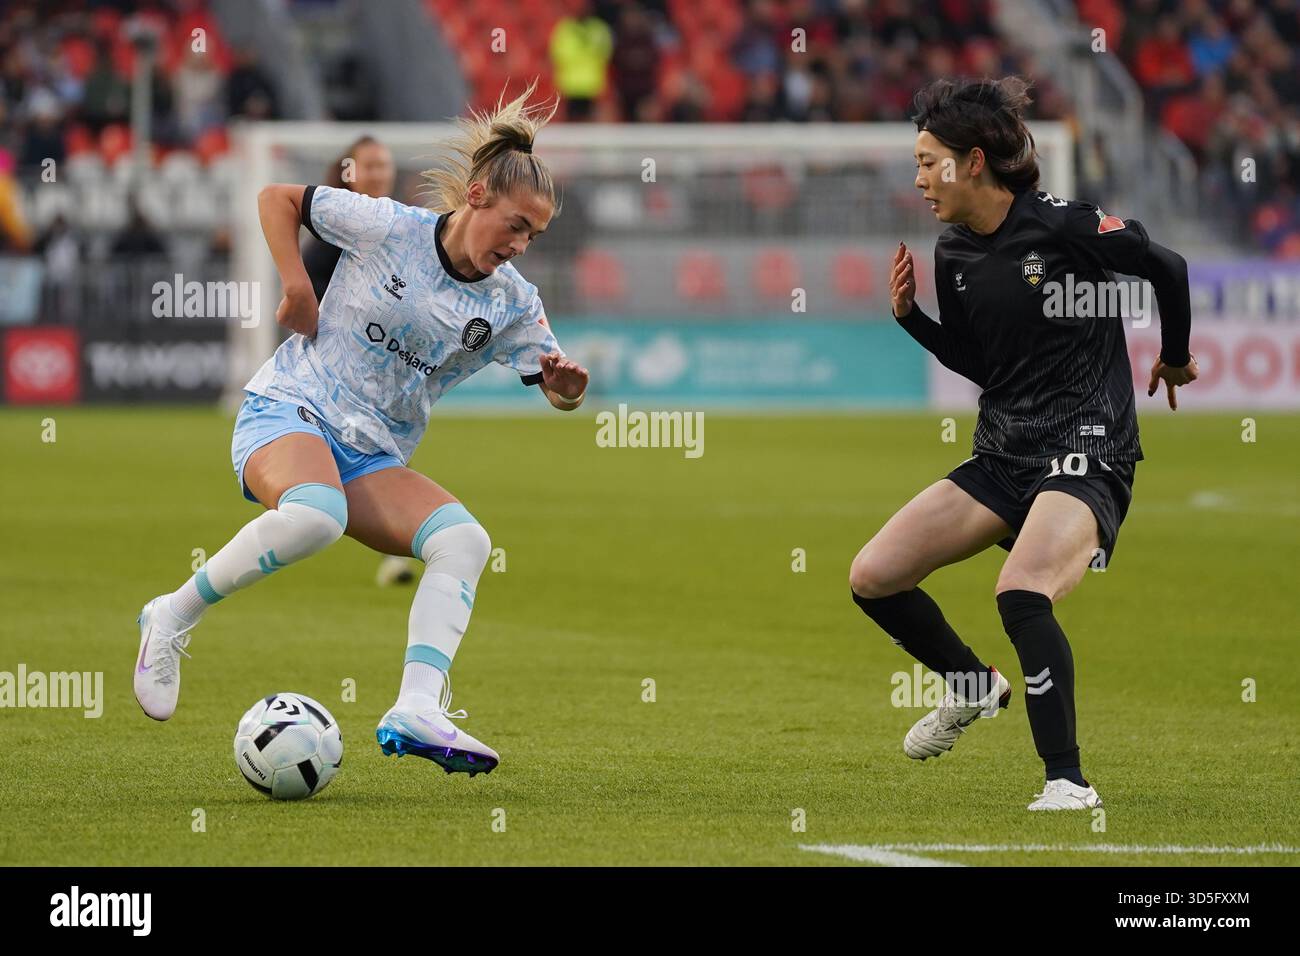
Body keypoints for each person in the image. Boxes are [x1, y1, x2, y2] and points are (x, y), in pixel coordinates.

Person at [133, 82, 590, 779]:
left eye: (535, 234)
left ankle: (416, 707)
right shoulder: (389, 227)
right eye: (516, 224)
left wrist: (562, 392)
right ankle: (170, 615)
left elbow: (554, 386)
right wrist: (296, 286)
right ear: (475, 197)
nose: (522, 244)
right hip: (291, 408)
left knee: (464, 540)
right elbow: (277, 198)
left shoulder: (512, 304)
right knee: (315, 517)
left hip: (371, 454)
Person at [849, 76, 1198, 811]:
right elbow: (985, 366)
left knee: (1021, 592)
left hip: (1088, 449)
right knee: (874, 574)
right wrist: (911, 318)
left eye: (927, 161)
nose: (917, 179)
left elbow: (1167, 265)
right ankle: (973, 685)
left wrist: (1175, 353)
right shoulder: (952, 253)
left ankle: (1068, 781)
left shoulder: (1062, 227)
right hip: (1005, 452)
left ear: (974, 161)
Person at [299, 134, 416, 586]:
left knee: (381, 457)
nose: (378, 174)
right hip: (334, 370)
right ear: (349, 173)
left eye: (384, 166)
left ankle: (389, 550)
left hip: (387, 371)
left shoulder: (403, 229)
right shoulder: (334, 232)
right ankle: (306, 523)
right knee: (348, 460)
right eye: (368, 166)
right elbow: (308, 297)